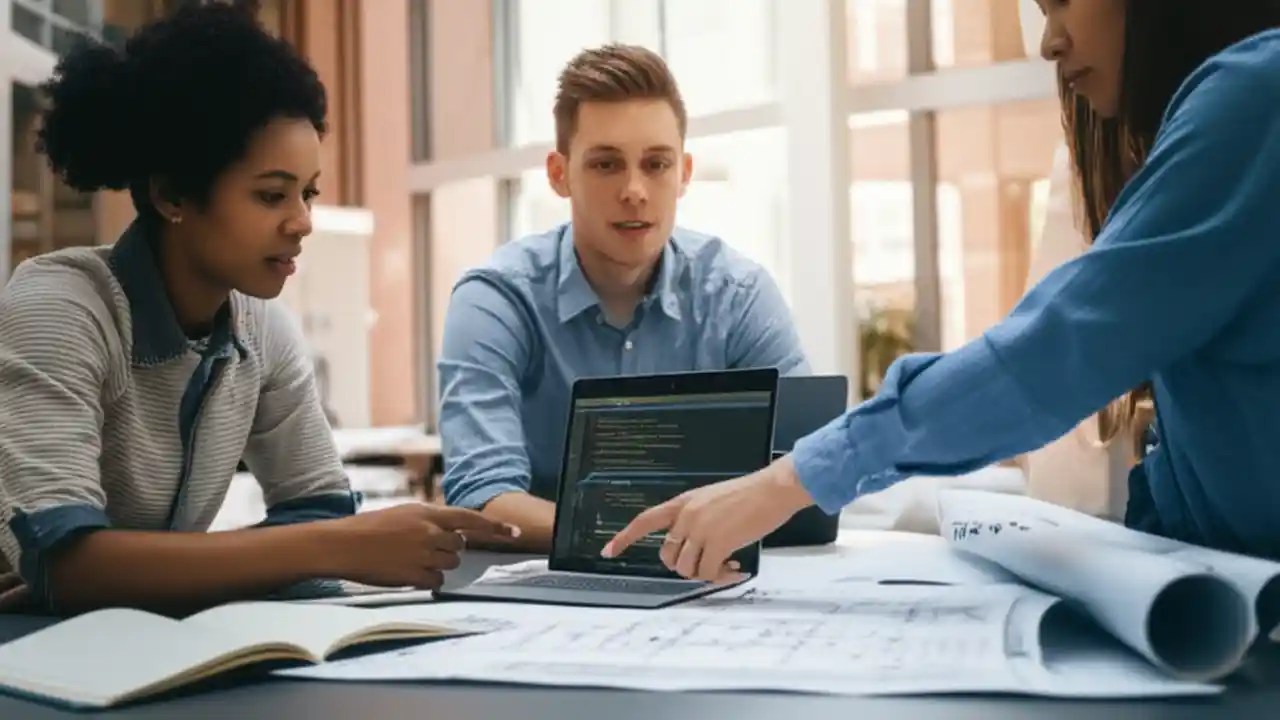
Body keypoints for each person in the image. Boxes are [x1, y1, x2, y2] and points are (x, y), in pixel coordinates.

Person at [604, 1, 1280, 580]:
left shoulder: (1257, 94)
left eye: (1064, 2)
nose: (1049, 42)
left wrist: (786, 483)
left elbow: (1055, 350)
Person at [0, 4, 516, 615]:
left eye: (308, 192)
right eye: (272, 194)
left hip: (134, 650)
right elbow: (70, 565)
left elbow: (314, 518)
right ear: (172, 194)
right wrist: (333, 545)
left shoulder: (262, 329)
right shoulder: (59, 308)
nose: (302, 222)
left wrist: (334, 546)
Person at [437, 44, 808, 551]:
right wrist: (647, 540)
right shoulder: (497, 300)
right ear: (559, 174)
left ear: (684, 174)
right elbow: (483, 499)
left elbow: (808, 471)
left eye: (656, 164)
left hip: (718, 589)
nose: (634, 190)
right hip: (549, 592)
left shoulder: (738, 296)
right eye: (607, 165)